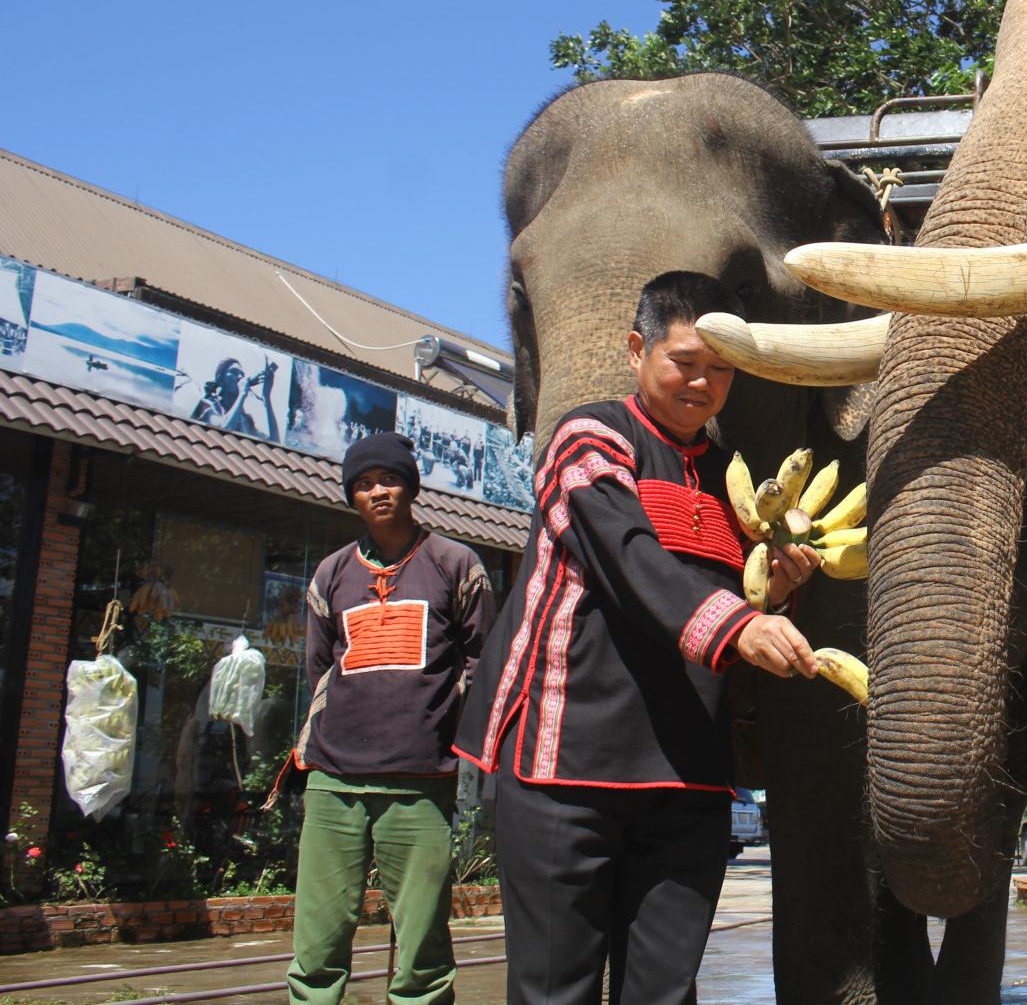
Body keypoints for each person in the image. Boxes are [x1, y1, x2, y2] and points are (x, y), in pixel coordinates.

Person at [455, 270, 822, 1005]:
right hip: (565, 766)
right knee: (555, 990)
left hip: (688, 777)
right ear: (636, 349)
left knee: (664, 991)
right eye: (685, 362)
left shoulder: (733, 478)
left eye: (721, 369)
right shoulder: (587, 438)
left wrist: (771, 590)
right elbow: (626, 557)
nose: (703, 384)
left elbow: (724, 592)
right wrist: (739, 626)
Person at [285, 432, 497, 1005]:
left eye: (389, 479)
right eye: (363, 483)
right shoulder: (330, 574)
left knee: (423, 945)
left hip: (421, 782)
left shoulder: (456, 565)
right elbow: (321, 669)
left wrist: (452, 737)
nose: (377, 491)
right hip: (334, 780)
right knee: (318, 940)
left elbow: (483, 661)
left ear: (411, 487)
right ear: (351, 495)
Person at [192, 356, 280, 440]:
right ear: (220, 379)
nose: (240, 377)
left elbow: (275, 441)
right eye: (234, 372)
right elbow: (222, 432)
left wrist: (267, 397)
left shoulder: (246, 420)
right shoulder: (207, 405)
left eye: (242, 374)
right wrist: (243, 393)